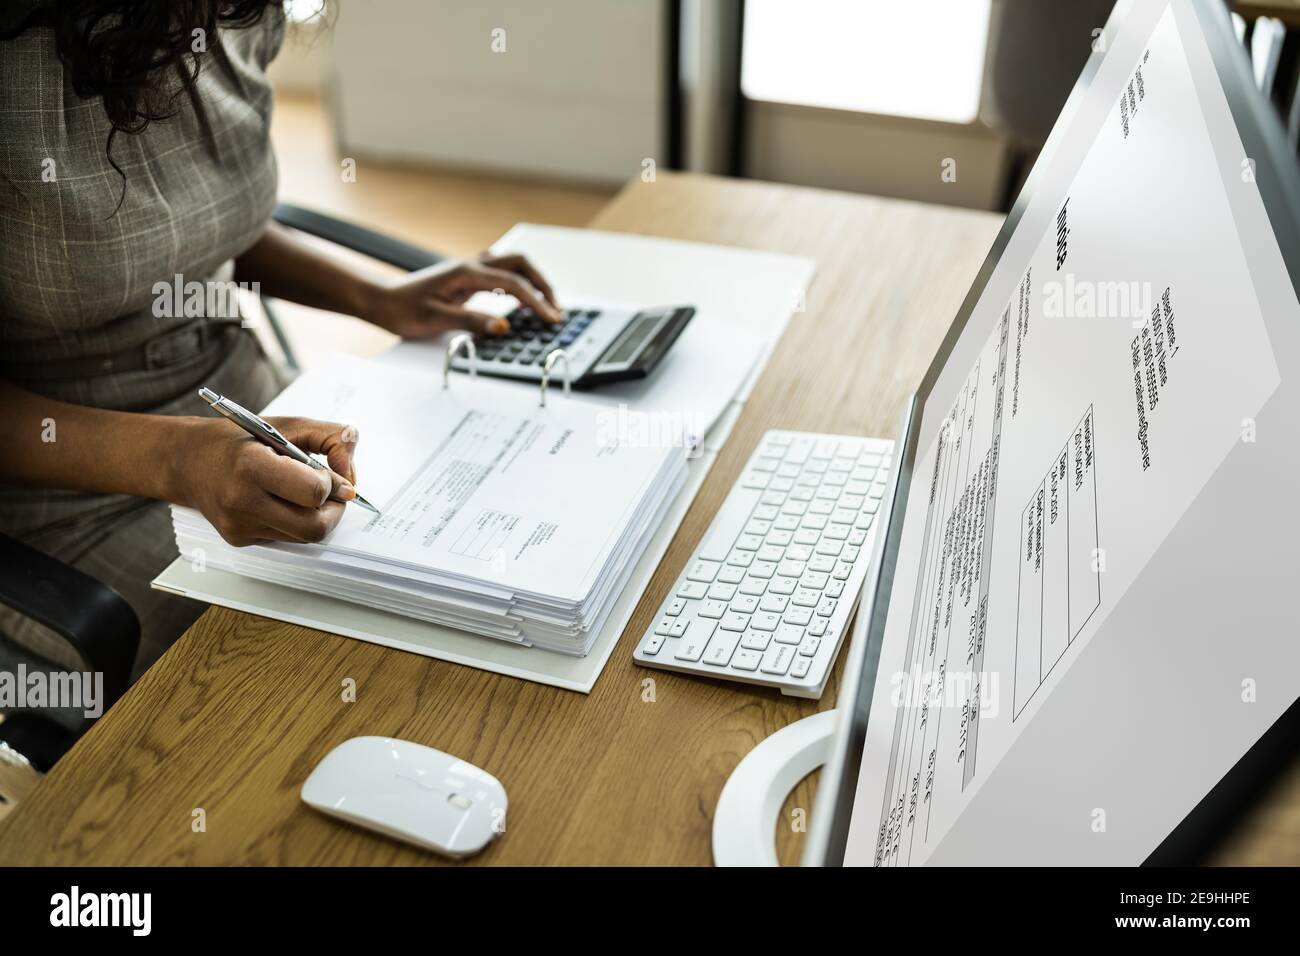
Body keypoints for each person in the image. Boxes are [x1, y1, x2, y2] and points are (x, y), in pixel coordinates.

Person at [0, 0, 562, 679]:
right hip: (65, 492)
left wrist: (380, 298)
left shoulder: (229, 13)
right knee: (329, 672)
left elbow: (191, 223)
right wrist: (175, 459)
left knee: (458, 620)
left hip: (251, 421)